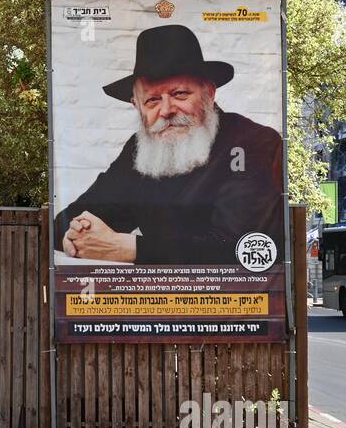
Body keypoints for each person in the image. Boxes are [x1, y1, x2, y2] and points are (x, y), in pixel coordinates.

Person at [55, 24, 283, 264]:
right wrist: (75, 235)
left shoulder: (253, 143)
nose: (166, 110)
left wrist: (129, 249)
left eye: (180, 94)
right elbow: (71, 218)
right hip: (153, 298)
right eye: (152, 100)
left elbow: (240, 246)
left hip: (234, 298)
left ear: (209, 93)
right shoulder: (140, 149)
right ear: (137, 106)